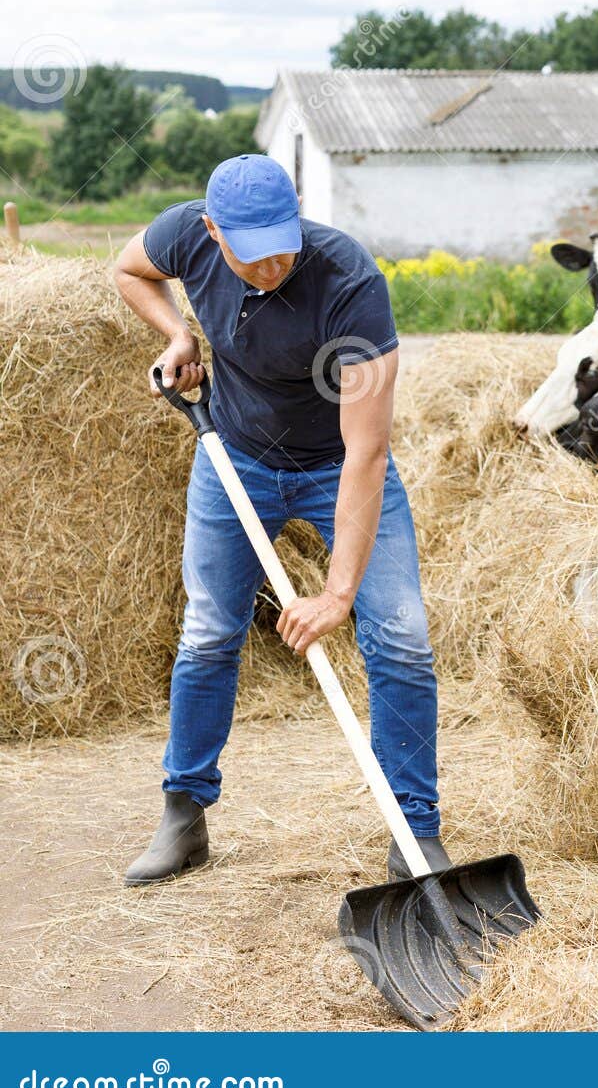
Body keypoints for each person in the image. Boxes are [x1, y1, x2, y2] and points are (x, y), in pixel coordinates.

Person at [112, 154, 449, 885]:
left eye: (282, 242)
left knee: (400, 636)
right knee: (208, 629)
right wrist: (178, 334)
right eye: (251, 247)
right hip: (237, 456)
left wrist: (335, 594)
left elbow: (367, 449)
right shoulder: (183, 237)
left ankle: (415, 830)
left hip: (339, 464)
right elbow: (129, 269)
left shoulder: (350, 280)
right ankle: (183, 814)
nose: (272, 262)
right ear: (210, 231)